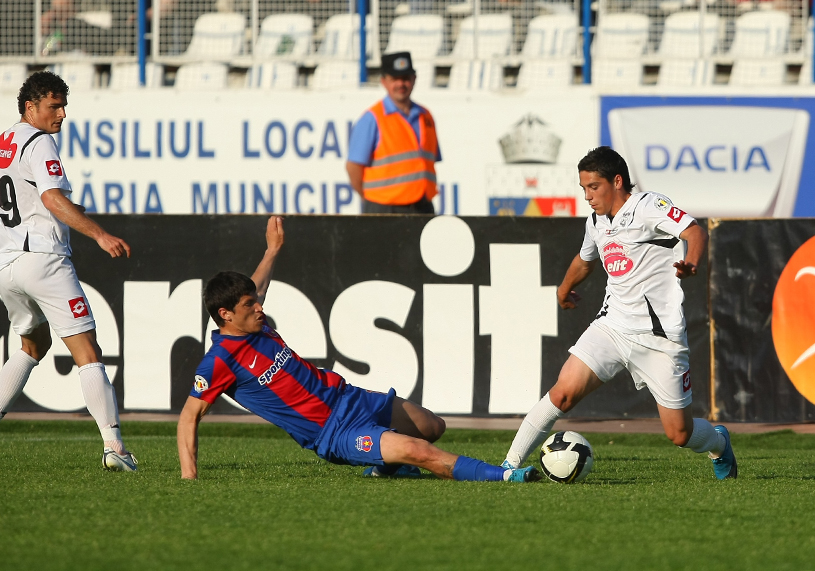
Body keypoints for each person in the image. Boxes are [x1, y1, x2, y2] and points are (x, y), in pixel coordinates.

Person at [177, 216, 540, 483]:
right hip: (332, 433)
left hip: (349, 397)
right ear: (225, 315)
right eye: (249, 305)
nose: (260, 307)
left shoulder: (252, 321)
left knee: (432, 427)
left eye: (257, 301)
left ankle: (383, 465)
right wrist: (189, 479)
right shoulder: (219, 362)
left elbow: (258, 285)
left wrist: (273, 249)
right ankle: (507, 477)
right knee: (419, 452)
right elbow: (189, 417)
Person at [501, 146, 738, 480]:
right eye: (583, 188)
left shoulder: (647, 206)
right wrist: (564, 288)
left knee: (679, 434)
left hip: (659, 337)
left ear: (617, 181)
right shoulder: (596, 221)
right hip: (612, 327)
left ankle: (718, 443)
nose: (587, 196)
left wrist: (693, 262)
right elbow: (585, 260)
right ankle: (508, 467)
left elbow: (694, 231)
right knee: (563, 392)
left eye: (593, 187)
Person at [0, 71, 137, 472]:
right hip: (42, 257)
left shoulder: (3, 141)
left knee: (33, 345)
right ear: (30, 107)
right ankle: (115, 447)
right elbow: (51, 198)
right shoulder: (39, 141)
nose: (61, 115)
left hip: (7, 263)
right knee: (87, 351)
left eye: (63, 106)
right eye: (53, 106)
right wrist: (99, 234)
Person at [346, 51, 441, 214]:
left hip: (422, 206)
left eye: (405, 78)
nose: (401, 84)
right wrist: (369, 198)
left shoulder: (426, 116)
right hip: (383, 207)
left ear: (414, 79)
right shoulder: (372, 118)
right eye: (394, 79)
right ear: (383, 81)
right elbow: (353, 166)